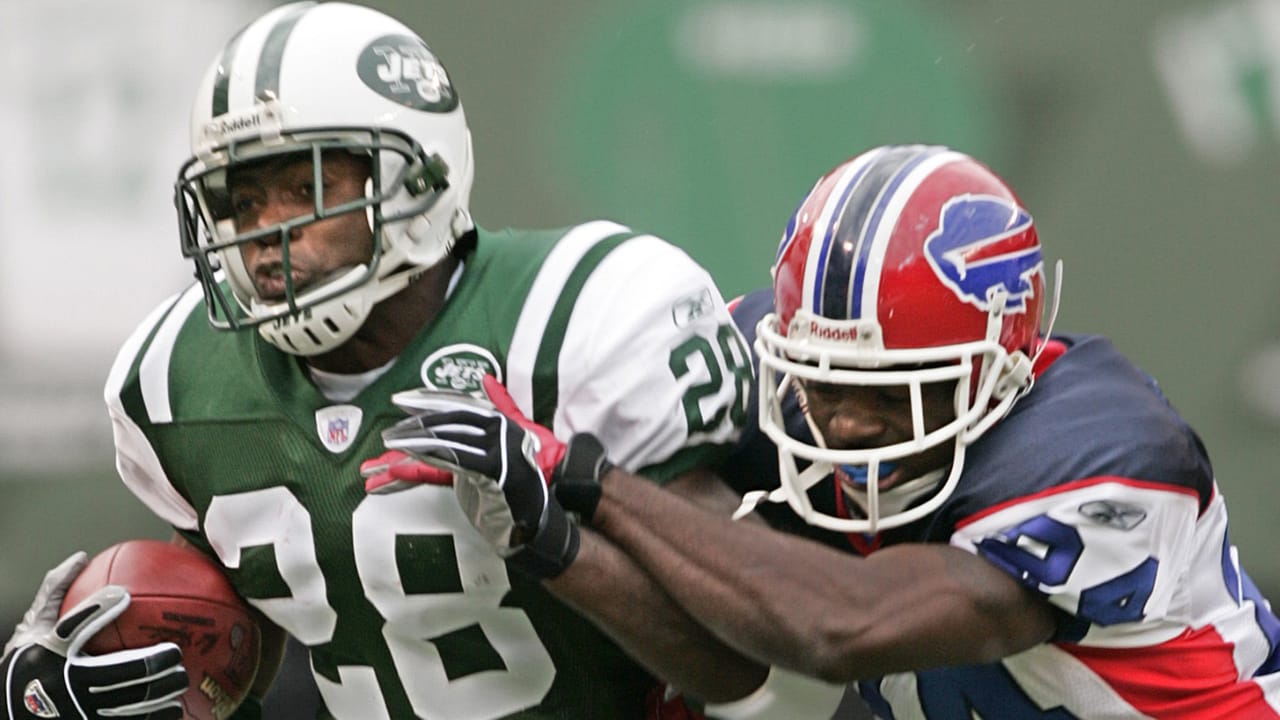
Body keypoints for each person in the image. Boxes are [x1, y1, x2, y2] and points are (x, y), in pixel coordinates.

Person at [0, 2, 791, 718]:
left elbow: (740, 661)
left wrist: (554, 537)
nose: (265, 235)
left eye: (305, 188)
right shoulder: (177, 377)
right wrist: (106, 683)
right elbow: (232, 648)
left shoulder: (580, 322)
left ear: (418, 177)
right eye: (241, 202)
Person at [386, 144, 1280, 718]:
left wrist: (590, 483)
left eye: (891, 394)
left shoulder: (1104, 458)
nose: (846, 423)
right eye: (822, 381)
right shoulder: (778, 385)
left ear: (1001, 351)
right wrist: (546, 527)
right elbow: (733, 664)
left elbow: (845, 627)